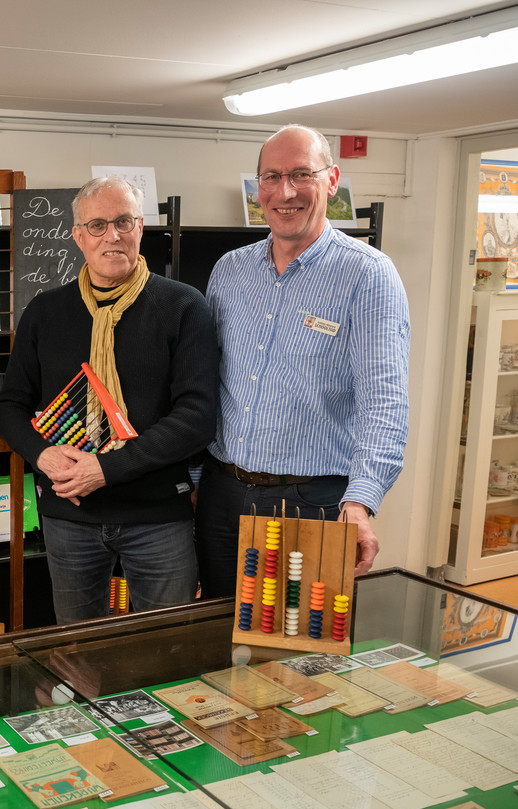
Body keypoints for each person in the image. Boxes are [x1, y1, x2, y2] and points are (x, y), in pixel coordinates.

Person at [195, 124, 410, 599]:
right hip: (221, 495)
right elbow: (204, 386)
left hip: (312, 502)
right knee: (210, 638)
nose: (284, 192)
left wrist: (360, 502)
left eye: (300, 175)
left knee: (296, 650)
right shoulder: (229, 271)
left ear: (331, 181)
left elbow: (386, 403)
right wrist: (192, 481)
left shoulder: (368, 275)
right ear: (257, 188)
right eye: (271, 177)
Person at [0, 176, 219, 624]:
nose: (111, 236)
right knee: (78, 652)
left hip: (158, 519)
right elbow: (9, 406)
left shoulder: (184, 307)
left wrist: (105, 470)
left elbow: (197, 418)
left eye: (123, 222)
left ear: (141, 228)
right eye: (97, 225)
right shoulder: (45, 311)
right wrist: (44, 456)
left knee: (165, 648)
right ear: (78, 236)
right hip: (70, 516)